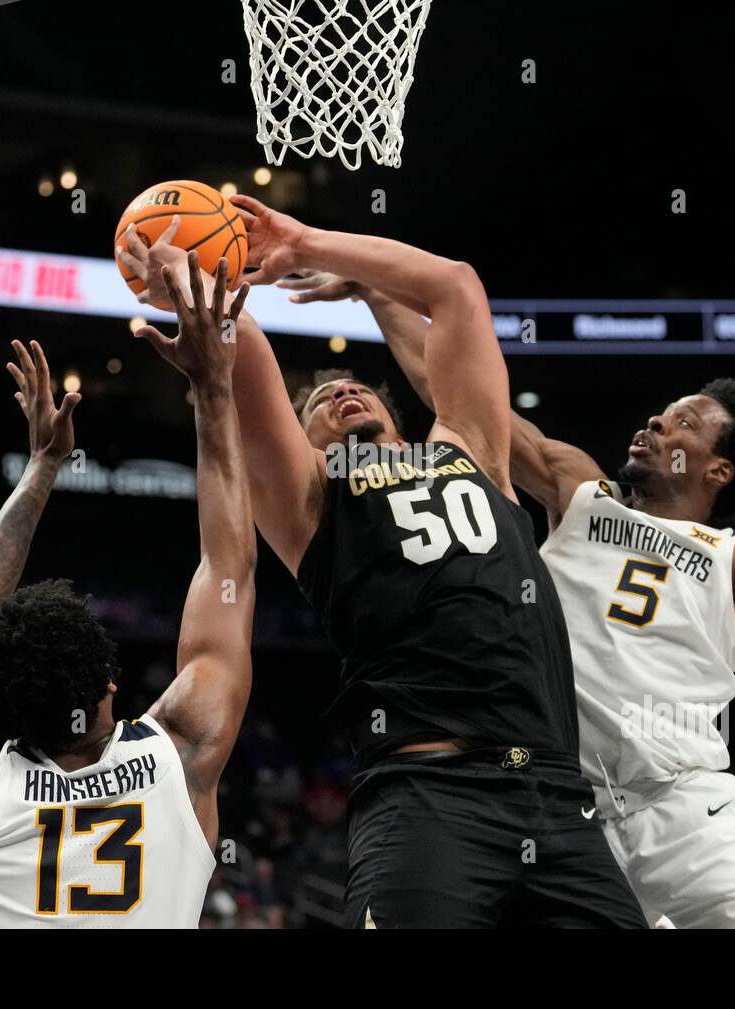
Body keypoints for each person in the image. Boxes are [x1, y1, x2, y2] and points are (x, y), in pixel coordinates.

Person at [281, 245, 735, 929]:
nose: (656, 420)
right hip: (563, 815)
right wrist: (378, 296)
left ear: (718, 472)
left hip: (689, 819)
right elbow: (463, 397)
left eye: (684, 423)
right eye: (662, 411)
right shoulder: (579, 491)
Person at [118, 202, 647, 930]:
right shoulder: (310, 496)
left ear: (396, 412)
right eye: (316, 403)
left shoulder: (474, 454)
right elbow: (240, 353)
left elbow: (455, 287)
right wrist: (186, 264)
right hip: (427, 794)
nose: (339, 390)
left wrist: (308, 243)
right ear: (305, 443)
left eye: (353, 386)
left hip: (557, 794)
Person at [0, 250, 256, 927]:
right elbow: (227, 572)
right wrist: (213, 387)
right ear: (109, 679)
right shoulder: (182, 752)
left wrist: (41, 469)